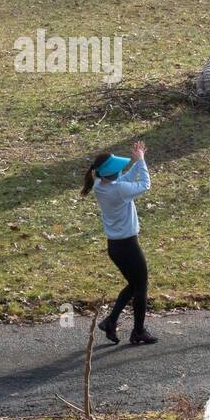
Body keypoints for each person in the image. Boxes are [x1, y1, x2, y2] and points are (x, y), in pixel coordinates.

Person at [82, 141, 157, 346]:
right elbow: (145, 185)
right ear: (112, 174)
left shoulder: (101, 184)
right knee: (141, 286)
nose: (120, 171)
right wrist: (141, 161)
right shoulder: (119, 190)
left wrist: (137, 161)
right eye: (118, 169)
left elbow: (123, 179)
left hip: (115, 247)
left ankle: (110, 322)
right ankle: (138, 331)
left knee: (133, 285)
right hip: (128, 246)